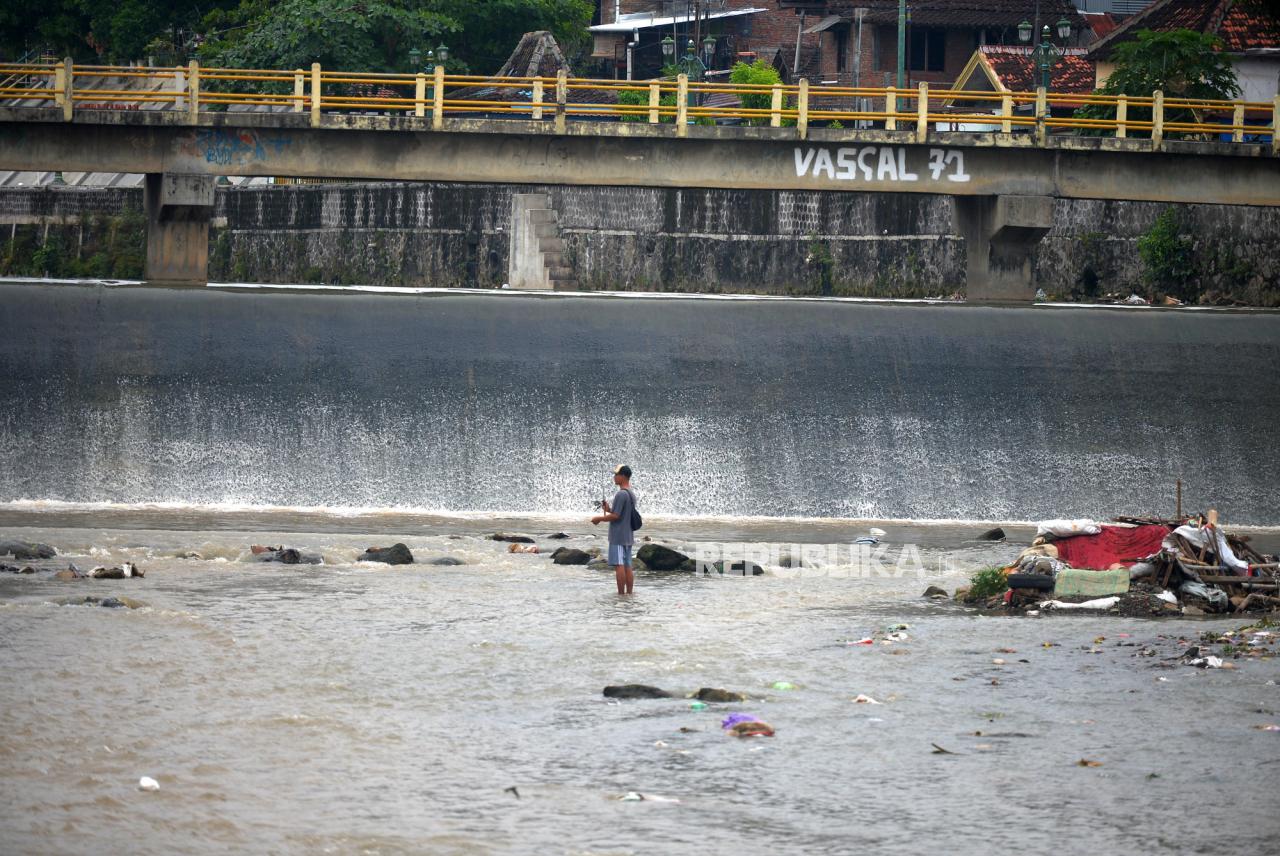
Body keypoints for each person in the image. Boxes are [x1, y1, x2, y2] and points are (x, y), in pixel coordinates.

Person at [591, 465, 637, 594]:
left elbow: (616, 516)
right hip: (628, 535)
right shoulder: (631, 493)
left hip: (618, 536)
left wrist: (599, 518)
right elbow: (620, 512)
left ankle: (621, 594)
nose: (614, 477)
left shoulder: (621, 494)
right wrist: (609, 509)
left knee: (619, 565)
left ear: (622, 476)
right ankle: (629, 593)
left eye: (616, 475)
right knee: (628, 565)